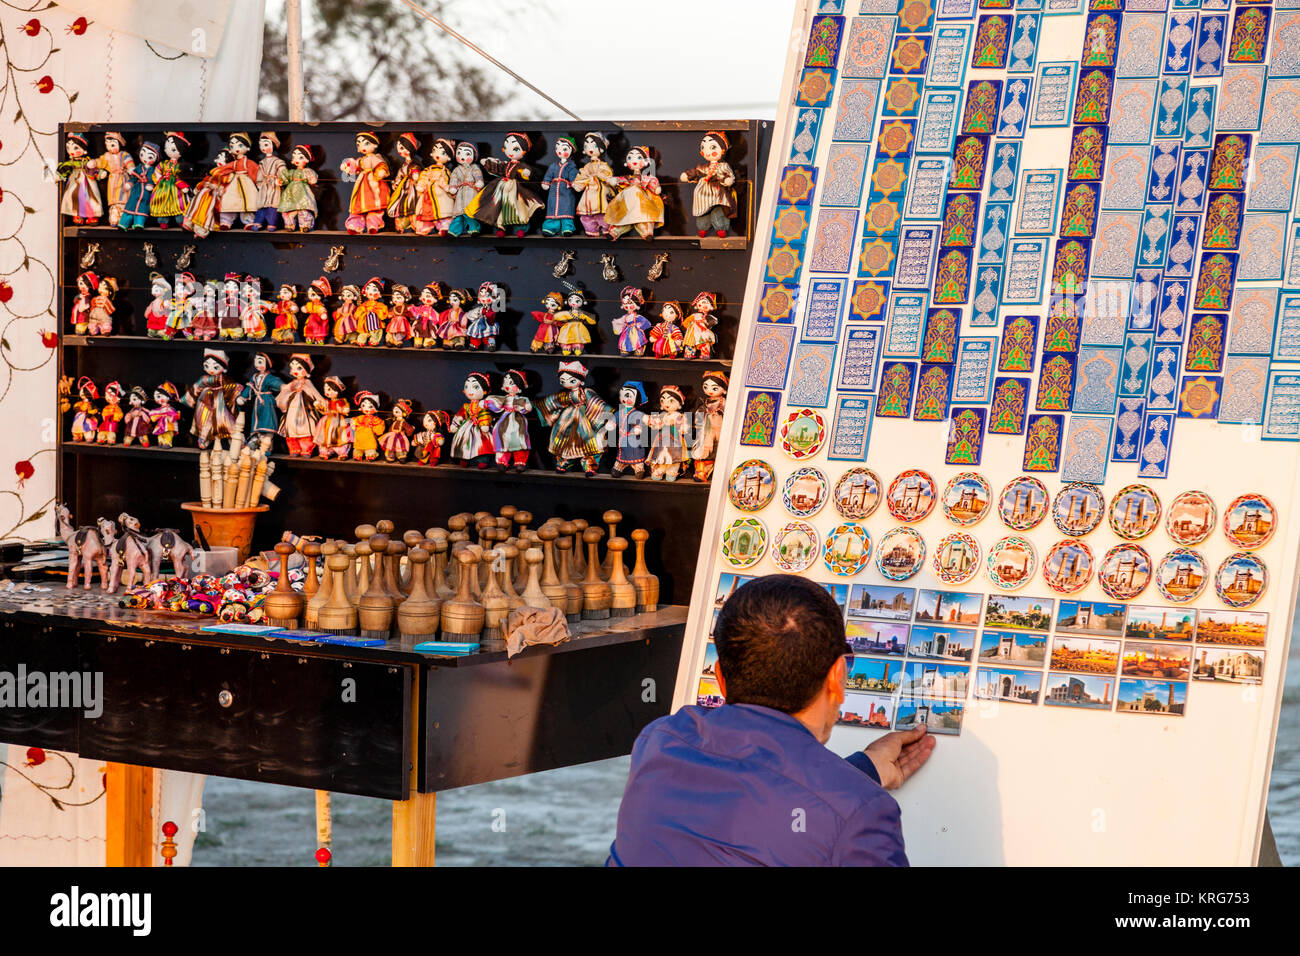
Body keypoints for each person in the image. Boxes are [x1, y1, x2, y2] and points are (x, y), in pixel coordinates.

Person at [608, 574, 936, 866]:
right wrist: (852, 792)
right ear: (838, 677)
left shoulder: (662, 740)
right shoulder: (863, 815)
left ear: (720, 677)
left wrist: (863, 771)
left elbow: (750, 803)